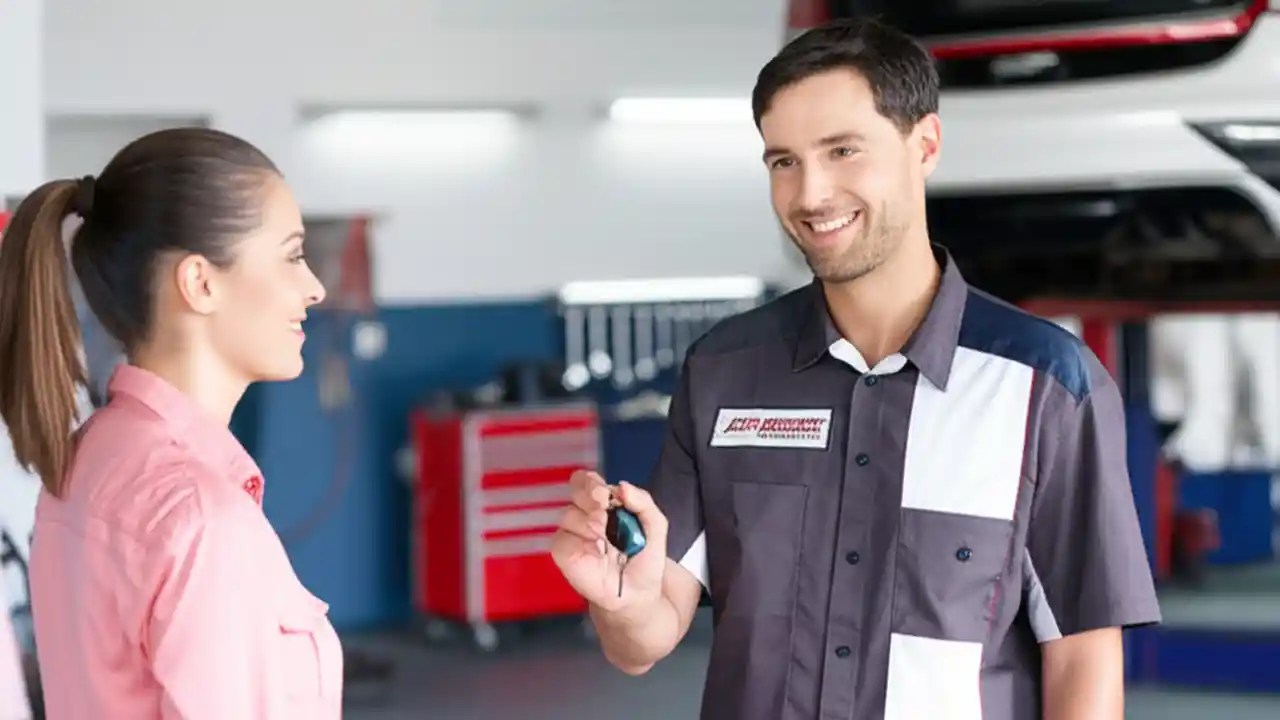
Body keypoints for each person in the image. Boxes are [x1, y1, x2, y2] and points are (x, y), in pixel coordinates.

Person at [551, 16, 1161, 720]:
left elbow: (1082, 654)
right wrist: (619, 602)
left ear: (924, 145)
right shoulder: (723, 373)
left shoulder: (1045, 386)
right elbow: (643, 642)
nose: (810, 194)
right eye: (783, 161)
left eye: (843, 151)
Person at [0, 127, 342, 718]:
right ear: (201, 282)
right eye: (291, 255)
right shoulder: (203, 519)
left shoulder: (90, 459)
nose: (313, 287)